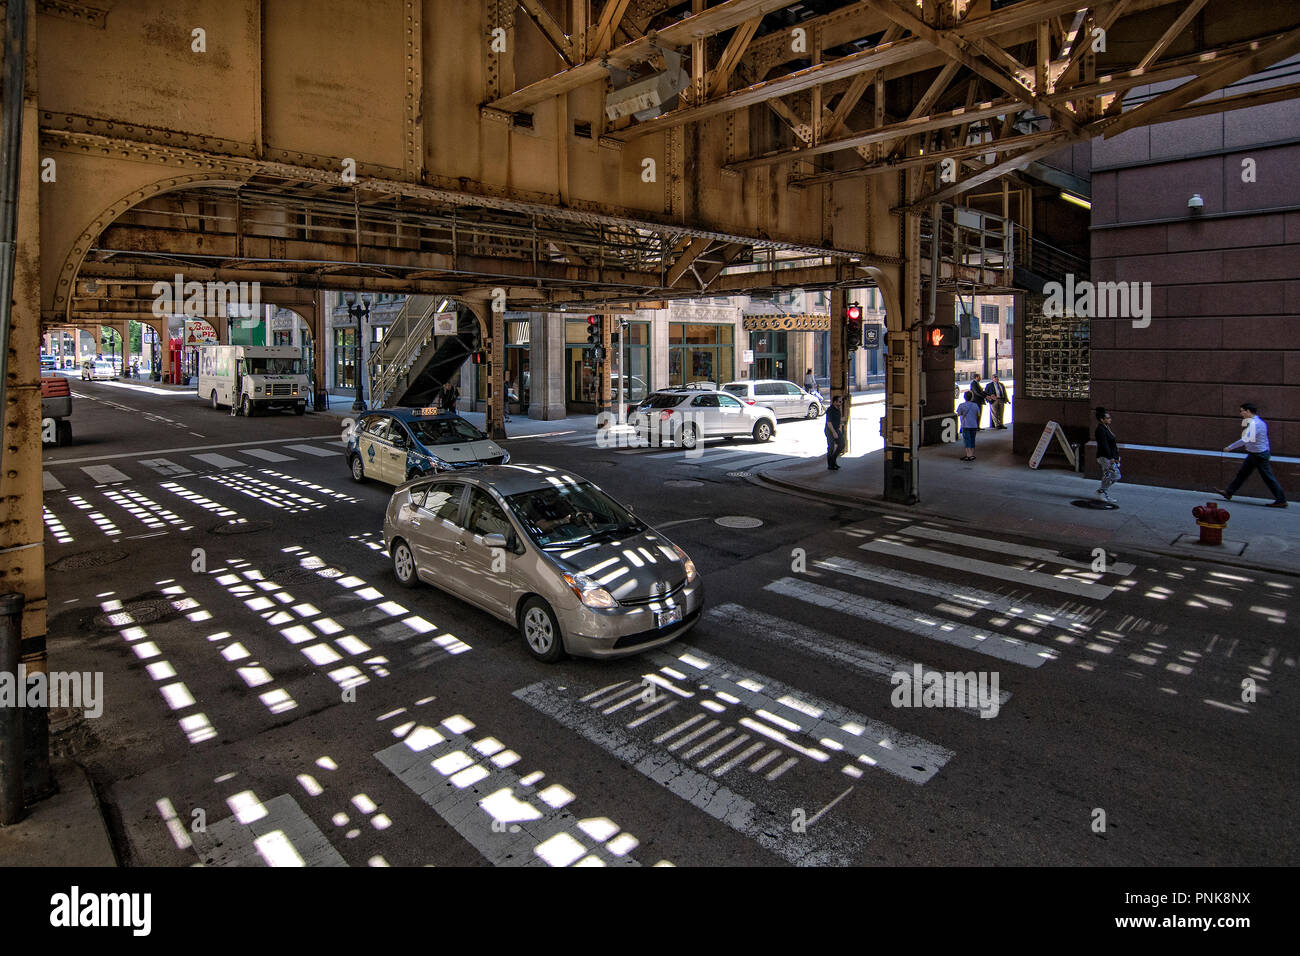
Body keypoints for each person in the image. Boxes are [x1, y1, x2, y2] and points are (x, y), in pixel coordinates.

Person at [1219, 402, 1287, 507]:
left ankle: (1281, 500)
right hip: (1256, 454)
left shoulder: (1255, 424)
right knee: (1242, 474)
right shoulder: (1258, 423)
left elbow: (1245, 439)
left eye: (1242, 411)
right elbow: (1264, 440)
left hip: (1259, 455)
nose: (1241, 414)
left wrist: (1230, 447)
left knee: (1268, 477)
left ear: (1248, 411)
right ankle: (1229, 492)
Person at [1095, 407, 1121, 505]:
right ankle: (1101, 492)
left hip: (1109, 457)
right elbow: (1104, 445)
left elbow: (1112, 444)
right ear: (1102, 419)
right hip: (1105, 457)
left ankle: (1102, 492)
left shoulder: (1106, 428)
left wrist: (1116, 457)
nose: (1110, 419)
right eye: (1108, 418)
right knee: (1112, 475)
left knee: (1113, 475)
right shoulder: (1100, 430)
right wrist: (1111, 458)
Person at [955, 390, 980, 461]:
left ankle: (968, 455)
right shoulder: (975, 405)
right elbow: (978, 414)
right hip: (974, 425)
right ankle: (972, 454)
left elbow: (959, 414)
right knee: (972, 439)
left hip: (966, 425)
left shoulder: (961, 405)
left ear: (964, 397)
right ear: (972, 397)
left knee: (967, 440)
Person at [824, 395, 845, 470]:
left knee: (842, 444)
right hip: (830, 430)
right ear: (835, 402)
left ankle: (833, 460)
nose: (841, 402)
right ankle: (830, 465)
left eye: (841, 401)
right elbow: (829, 422)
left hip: (836, 429)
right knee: (831, 447)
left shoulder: (838, 409)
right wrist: (834, 432)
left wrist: (839, 429)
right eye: (839, 401)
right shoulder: (830, 410)